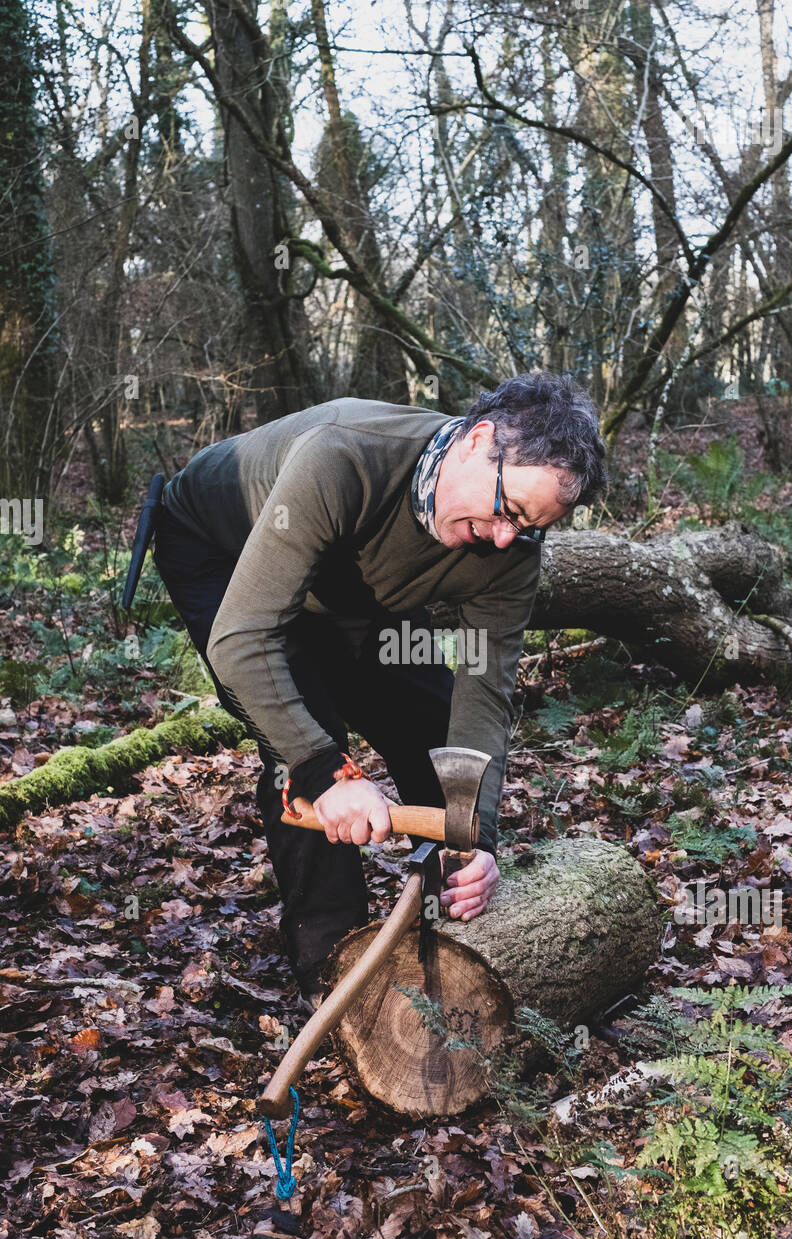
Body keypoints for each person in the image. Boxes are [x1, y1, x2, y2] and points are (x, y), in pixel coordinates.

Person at [152, 372, 606, 1006]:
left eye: (530, 527)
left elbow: (484, 693)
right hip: (220, 549)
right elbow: (242, 639)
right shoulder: (343, 456)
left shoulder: (510, 551)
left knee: (428, 716)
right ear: (477, 442)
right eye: (509, 509)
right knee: (305, 736)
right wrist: (323, 772)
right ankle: (330, 963)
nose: (507, 536)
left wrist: (473, 834)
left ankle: (440, 909)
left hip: (350, 580)